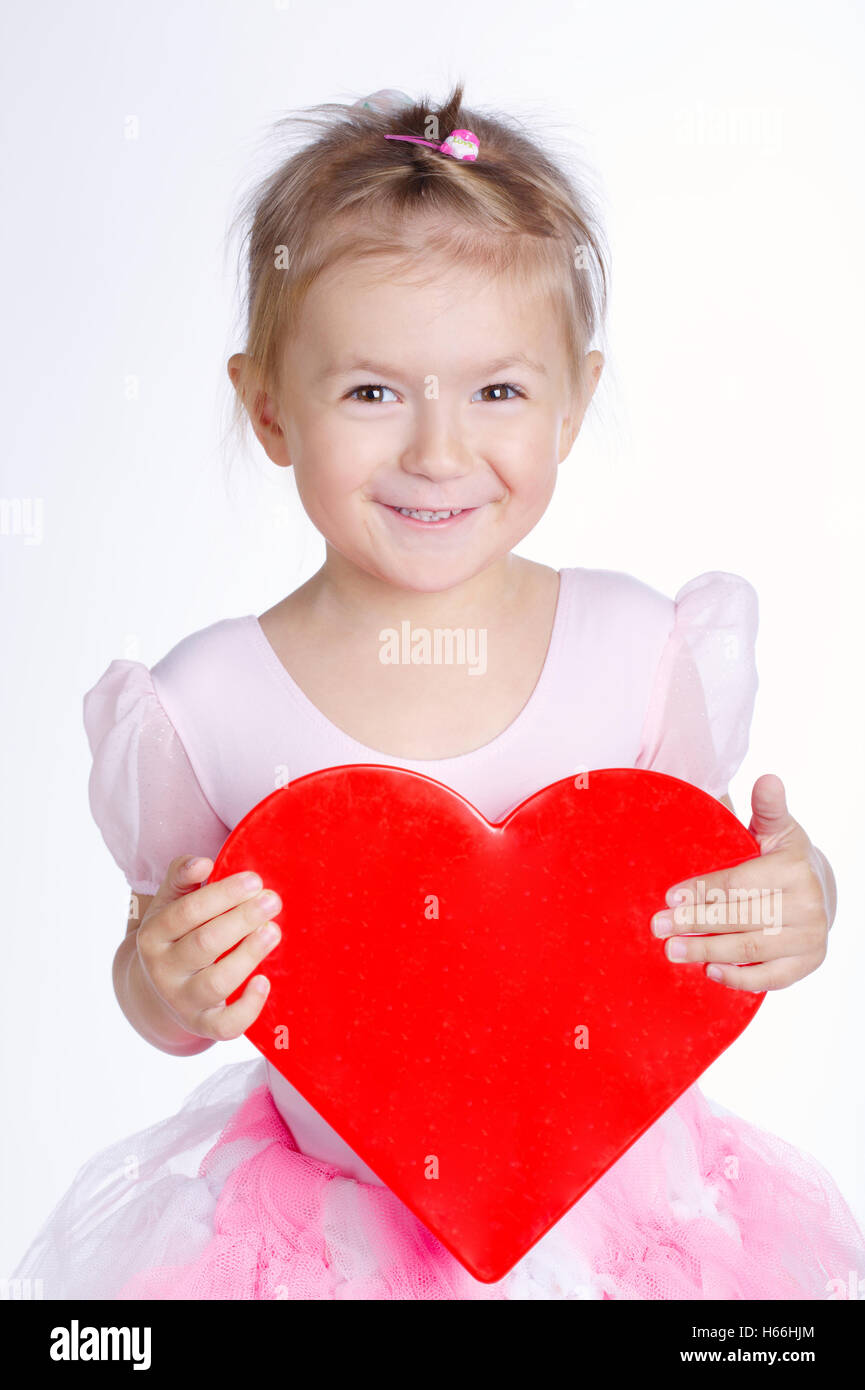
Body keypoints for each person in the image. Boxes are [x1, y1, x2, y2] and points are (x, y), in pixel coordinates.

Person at [12, 83, 865, 1300]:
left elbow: (698, 907)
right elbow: (169, 984)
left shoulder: (636, 645)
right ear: (267, 407)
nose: (437, 451)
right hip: (336, 1249)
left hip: (615, 1225)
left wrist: (799, 895)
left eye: (497, 391)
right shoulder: (204, 703)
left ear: (573, 400)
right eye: (371, 392)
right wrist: (162, 977)